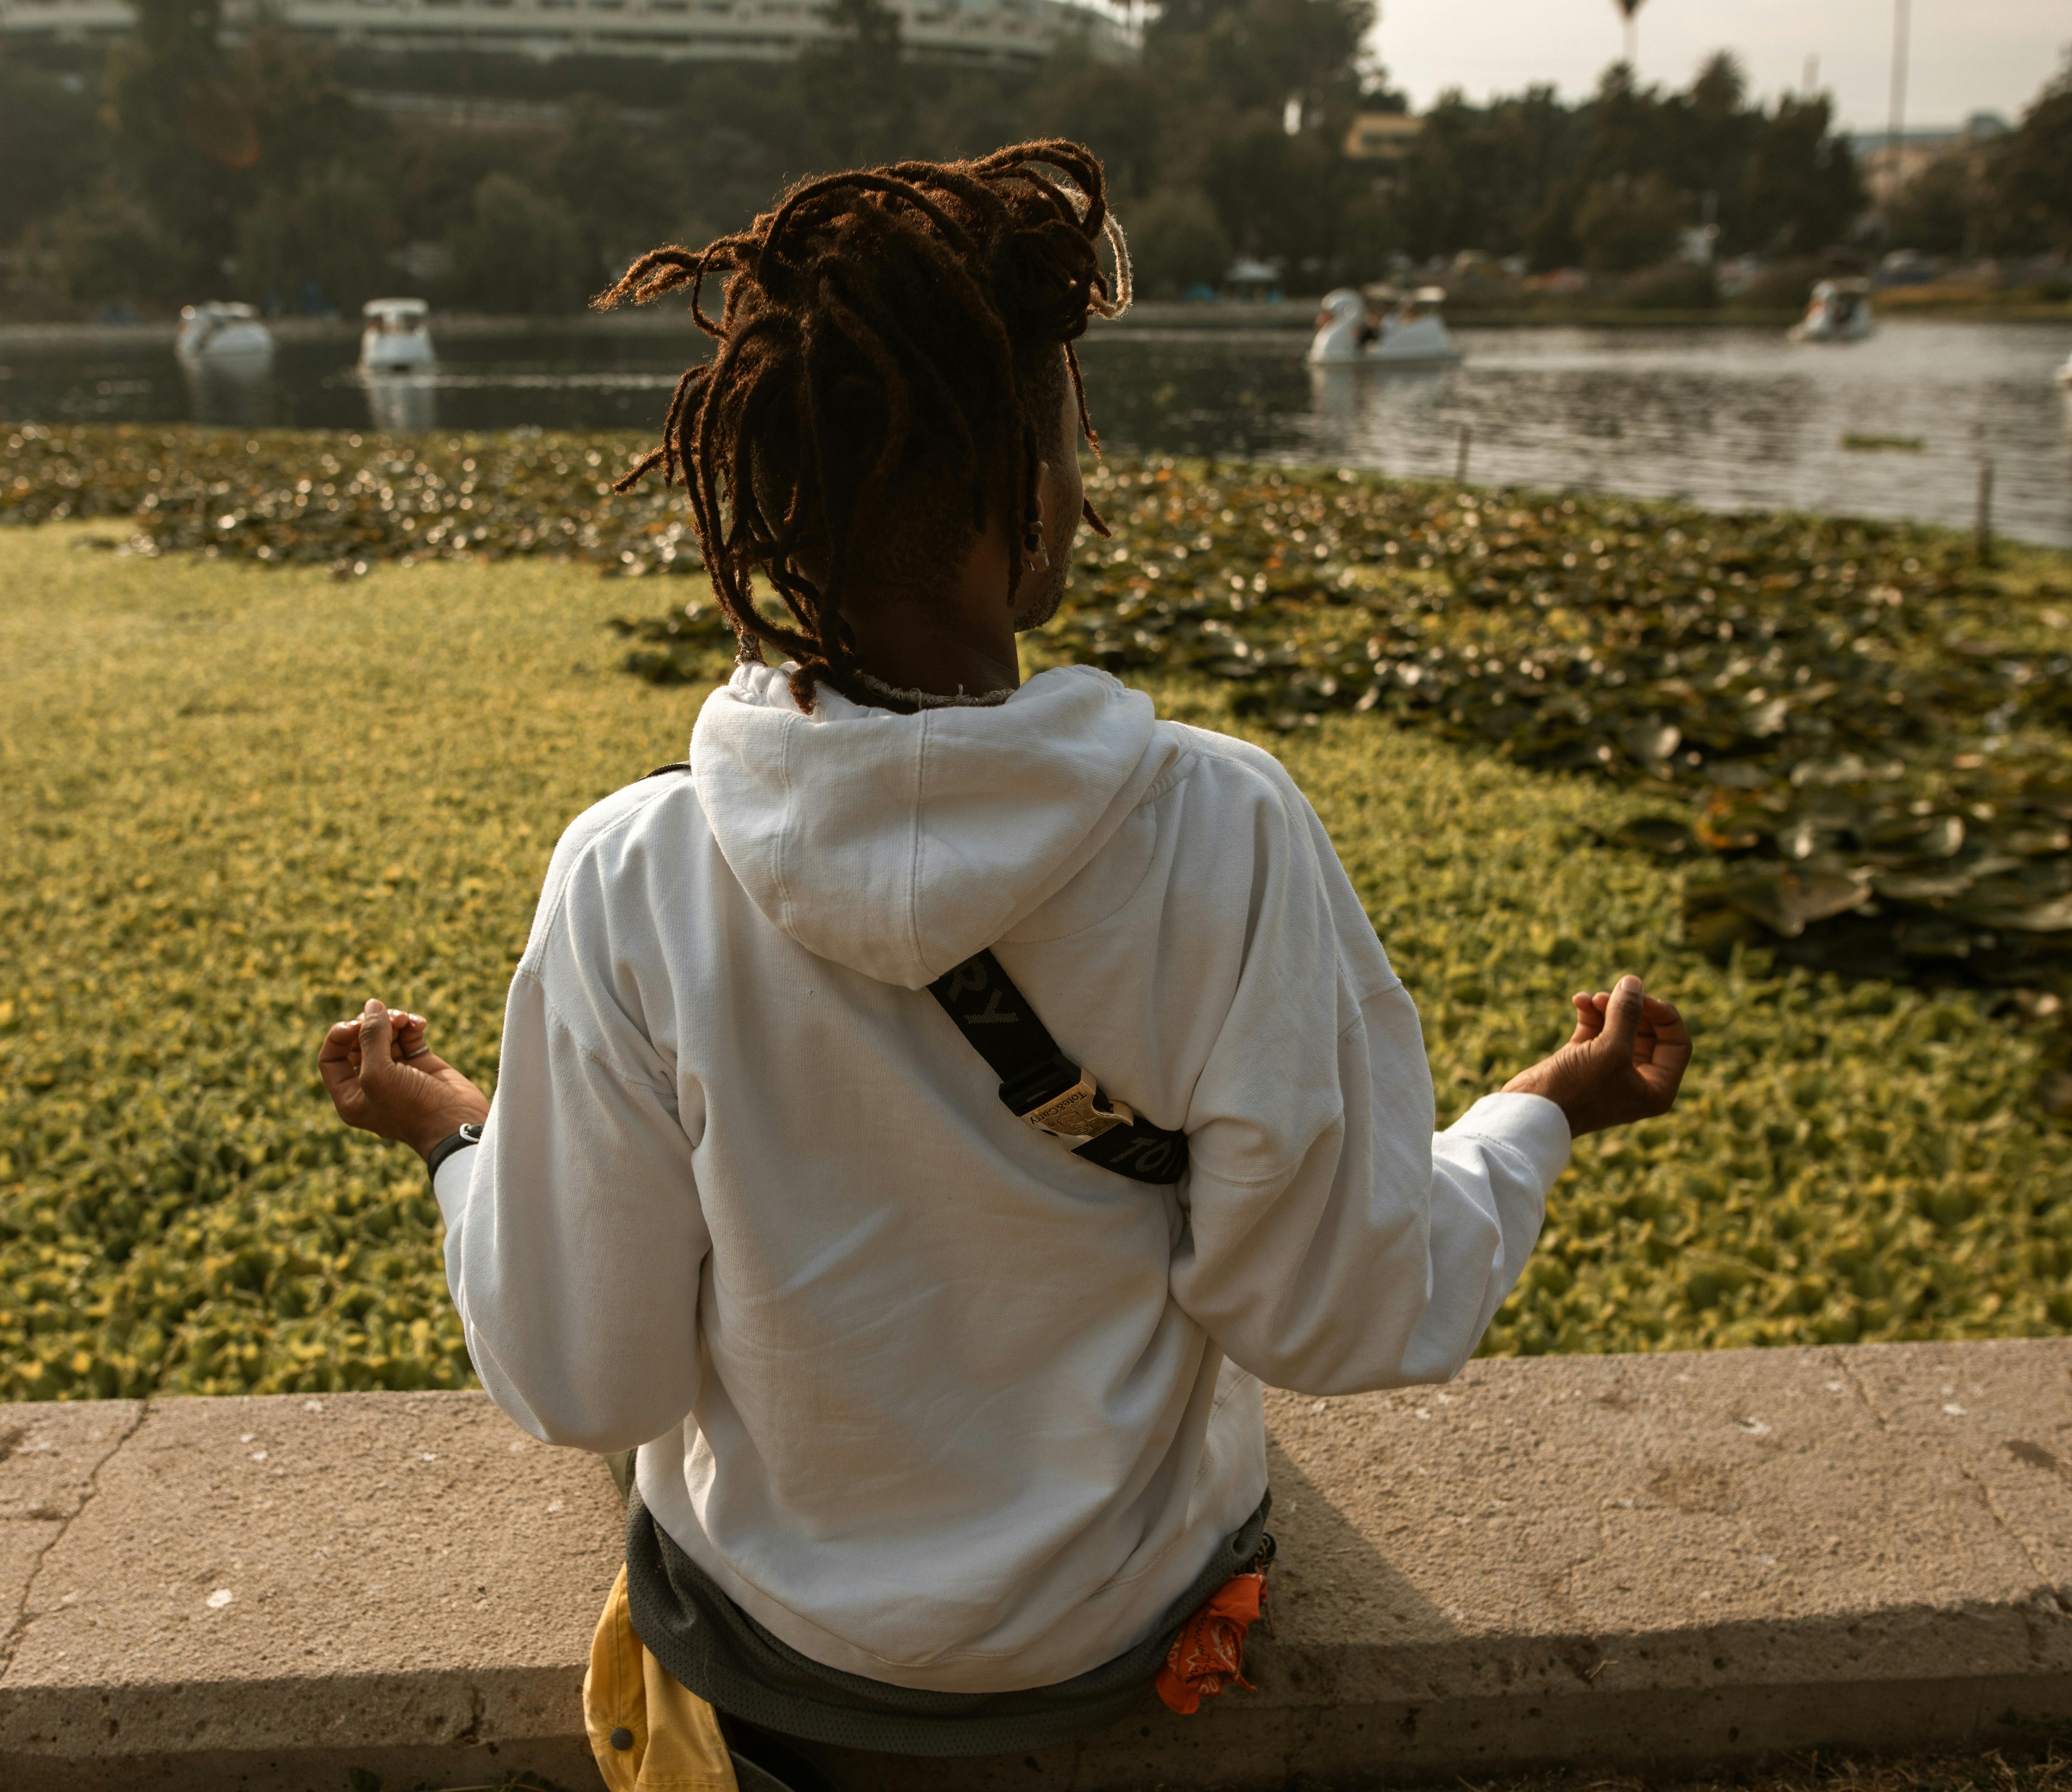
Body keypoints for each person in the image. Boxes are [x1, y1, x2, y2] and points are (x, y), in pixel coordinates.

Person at [317, 140, 1692, 1792]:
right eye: (1066, 444)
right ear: (1027, 500)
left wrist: (464, 1139)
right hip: (1117, 1620)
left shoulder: (632, 874)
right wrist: (1537, 1113)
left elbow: (582, 1373)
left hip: (776, 1645)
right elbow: (1331, 1307)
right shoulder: (1224, 832)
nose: (1085, 490)